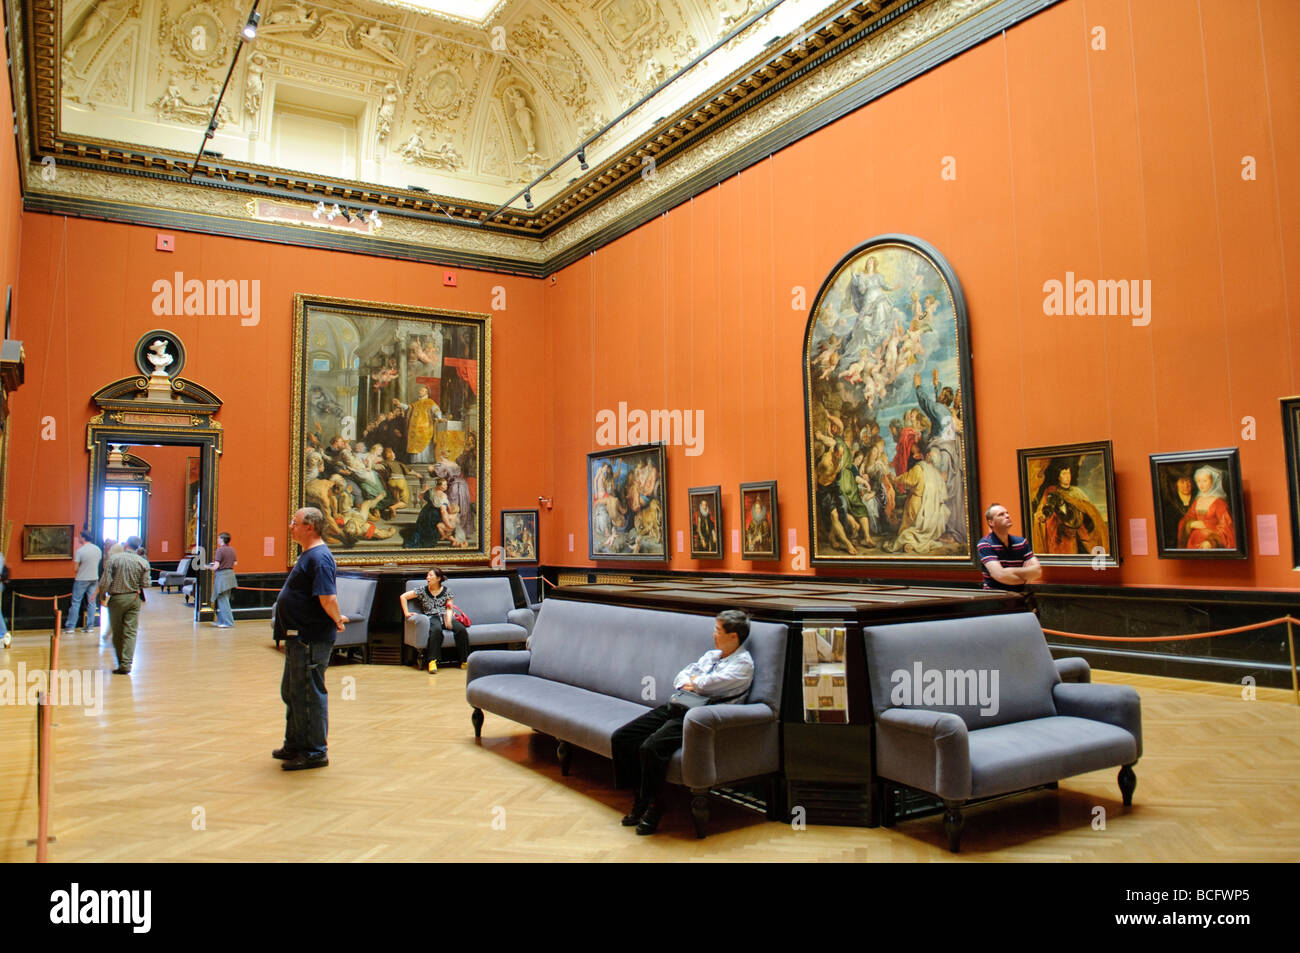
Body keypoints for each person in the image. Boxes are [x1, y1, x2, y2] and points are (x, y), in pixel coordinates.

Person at [611, 610, 754, 835]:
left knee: (651, 747)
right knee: (623, 737)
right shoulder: (712, 655)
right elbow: (681, 677)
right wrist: (693, 682)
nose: (714, 635)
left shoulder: (743, 664)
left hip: (702, 717)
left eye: (718, 631)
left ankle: (653, 807)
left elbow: (710, 684)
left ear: (734, 637)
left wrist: (694, 682)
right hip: (680, 705)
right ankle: (639, 797)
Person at [272, 508, 347, 771]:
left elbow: (327, 597)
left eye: (294, 522)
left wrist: (337, 620)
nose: (290, 526)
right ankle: (294, 743)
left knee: (309, 695)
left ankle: (315, 751)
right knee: (293, 692)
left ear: (310, 527)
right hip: (298, 637)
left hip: (311, 638)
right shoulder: (309, 554)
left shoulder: (321, 558)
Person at [97, 536, 151, 675]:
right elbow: (146, 584)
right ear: (138, 547)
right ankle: (127, 663)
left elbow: (105, 581)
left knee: (118, 631)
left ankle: (121, 661)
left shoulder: (114, 559)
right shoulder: (143, 562)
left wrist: (102, 595)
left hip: (117, 598)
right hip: (134, 598)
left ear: (126, 544)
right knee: (131, 632)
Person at [398, 567, 469, 673]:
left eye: (431, 575)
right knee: (436, 631)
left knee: (461, 630)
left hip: (446, 615)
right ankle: (432, 661)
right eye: (427, 575)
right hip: (432, 617)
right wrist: (406, 613)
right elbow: (403, 597)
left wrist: (449, 620)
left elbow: (450, 607)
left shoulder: (447, 591)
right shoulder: (422, 590)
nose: (428, 578)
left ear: (438, 578)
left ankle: (464, 660)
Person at [1033, 460, 1107, 555]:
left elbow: (1089, 509)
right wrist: (1043, 516)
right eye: (1064, 473)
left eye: (1069, 473)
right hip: (1062, 535)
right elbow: (1047, 509)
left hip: (1081, 532)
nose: (1067, 477)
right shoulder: (1052, 492)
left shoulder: (1077, 492)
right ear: (1058, 476)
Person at [978, 503, 1042, 593]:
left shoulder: (1021, 542)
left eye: (1007, 513)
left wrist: (1009, 571)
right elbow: (999, 575)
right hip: (994, 598)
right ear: (991, 522)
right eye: (1001, 514)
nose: (1007, 516)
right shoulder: (985, 543)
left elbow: (1037, 571)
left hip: (1019, 597)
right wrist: (1023, 578)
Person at [1177, 465, 1235, 550]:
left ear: (1213, 481)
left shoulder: (1219, 503)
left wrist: (1211, 541)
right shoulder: (1197, 500)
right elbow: (1186, 519)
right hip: (1192, 544)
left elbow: (1226, 529)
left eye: (1205, 481)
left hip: (1209, 545)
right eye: (1198, 481)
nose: (1201, 485)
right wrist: (1190, 524)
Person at [66, 530, 102, 633]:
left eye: (80, 537)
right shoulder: (97, 549)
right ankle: (90, 626)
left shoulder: (80, 551)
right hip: (94, 578)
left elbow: (75, 569)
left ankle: (70, 627)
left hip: (81, 579)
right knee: (92, 603)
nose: (79, 538)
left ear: (83, 538)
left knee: (76, 603)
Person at [207, 532, 238, 628]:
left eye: (219, 538)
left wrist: (207, 567)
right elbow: (235, 563)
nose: (217, 540)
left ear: (222, 539)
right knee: (224, 599)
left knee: (223, 600)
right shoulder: (232, 550)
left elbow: (216, 566)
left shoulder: (220, 550)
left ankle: (228, 622)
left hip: (222, 577)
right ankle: (221, 621)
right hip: (230, 575)